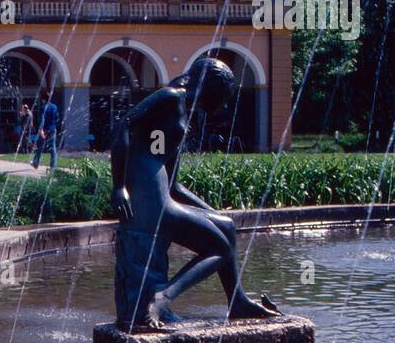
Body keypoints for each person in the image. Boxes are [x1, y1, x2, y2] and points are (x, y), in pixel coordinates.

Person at [110, 57, 278, 327]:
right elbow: (124, 126)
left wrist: (212, 214)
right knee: (219, 247)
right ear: (210, 86)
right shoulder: (170, 96)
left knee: (227, 227)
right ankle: (161, 296)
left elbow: (175, 185)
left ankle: (238, 301)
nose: (224, 104)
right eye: (223, 96)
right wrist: (119, 187)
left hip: (161, 196)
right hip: (147, 199)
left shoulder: (182, 112)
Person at [30, 92, 60, 170]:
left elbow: (42, 119)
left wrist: (41, 130)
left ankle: (36, 163)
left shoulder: (44, 107)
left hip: (45, 129)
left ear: (43, 99)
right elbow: (57, 118)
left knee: (40, 146)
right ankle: (53, 166)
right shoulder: (55, 107)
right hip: (53, 129)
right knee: (53, 147)